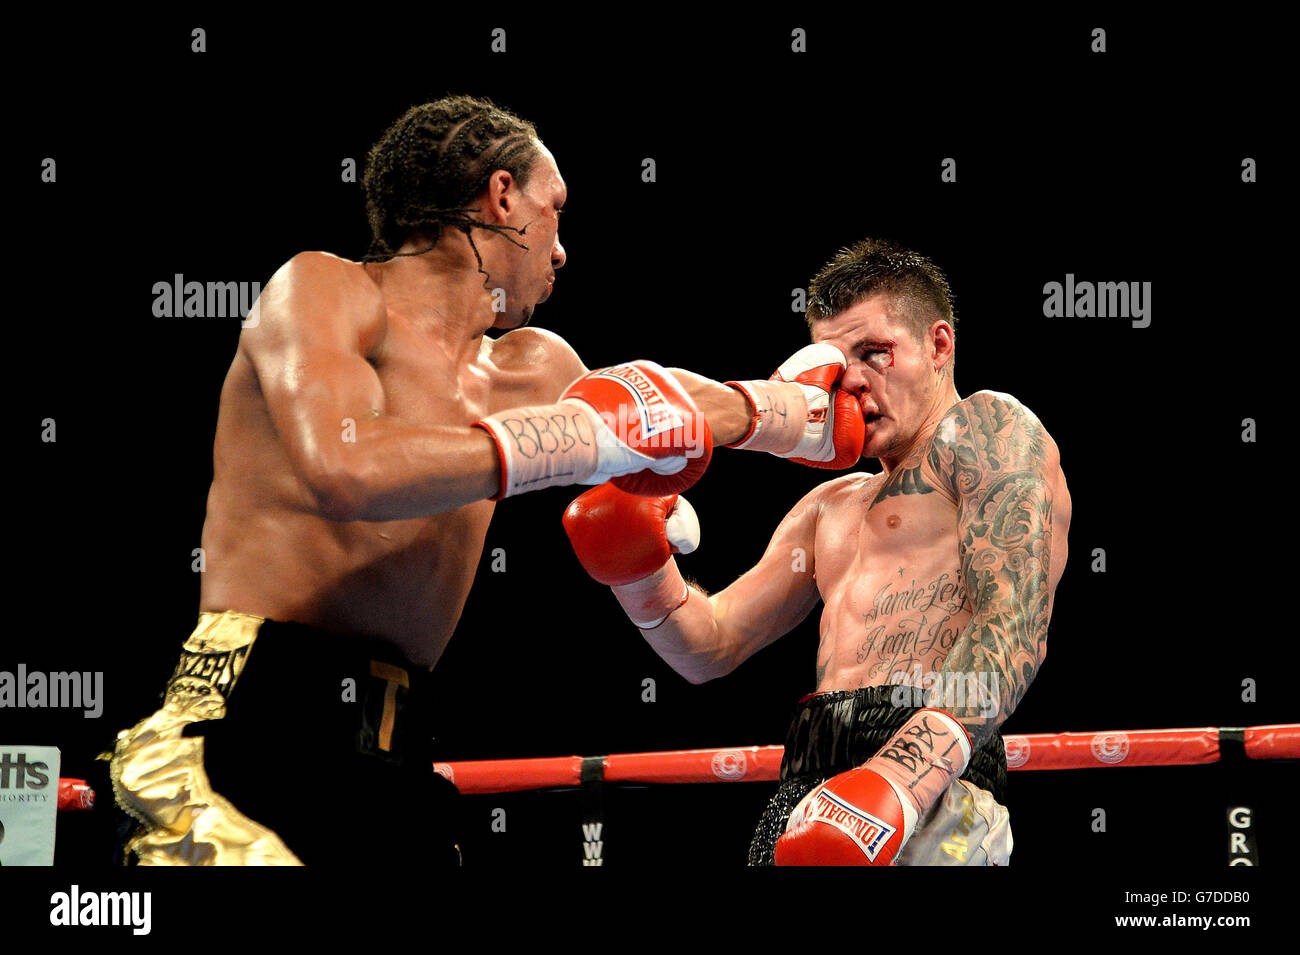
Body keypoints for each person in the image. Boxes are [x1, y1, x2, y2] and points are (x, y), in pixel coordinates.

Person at [109, 95, 765, 866]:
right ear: (502, 197)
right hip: (253, 714)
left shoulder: (534, 366)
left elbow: (660, 406)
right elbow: (348, 469)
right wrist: (567, 441)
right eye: (555, 211)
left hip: (398, 743)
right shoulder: (326, 290)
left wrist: (798, 409)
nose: (562, 252)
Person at [563, 238, 1072, 865]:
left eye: (875, 352)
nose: (851, 380)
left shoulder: (989, 432)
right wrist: (638, 573)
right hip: (806, 780)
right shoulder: (826, 505)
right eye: (835, 360)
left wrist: (900, 780)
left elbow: (1014, 625)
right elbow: (710, 646)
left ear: (940, 346)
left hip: (935, 767)